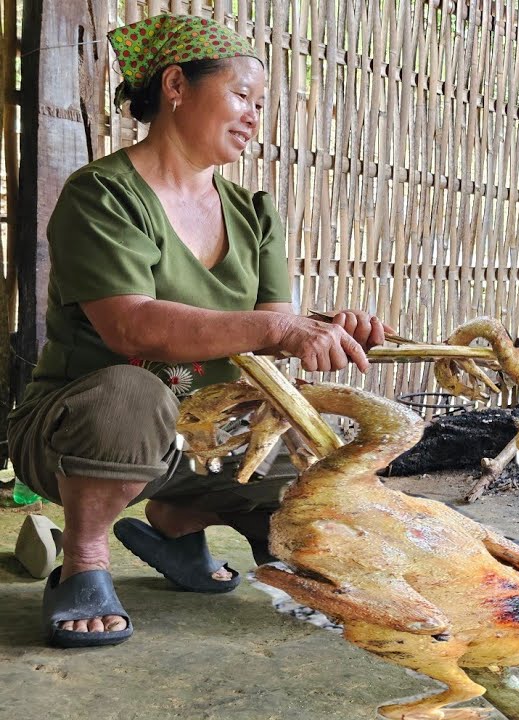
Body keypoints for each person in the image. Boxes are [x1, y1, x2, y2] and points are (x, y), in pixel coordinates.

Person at [6, 14, 389, 648]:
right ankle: (85, 561)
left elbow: (270, 333)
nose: (254, 117)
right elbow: (132, 327)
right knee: (133, 395)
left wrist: (328, 327)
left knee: (320, 449)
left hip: (208, 434)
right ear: (177, 85)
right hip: (84, 433)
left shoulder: (254, 212)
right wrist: (283, 327)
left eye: (261, 104)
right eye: (242, 95)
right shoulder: (103, 194)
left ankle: (179, 525)